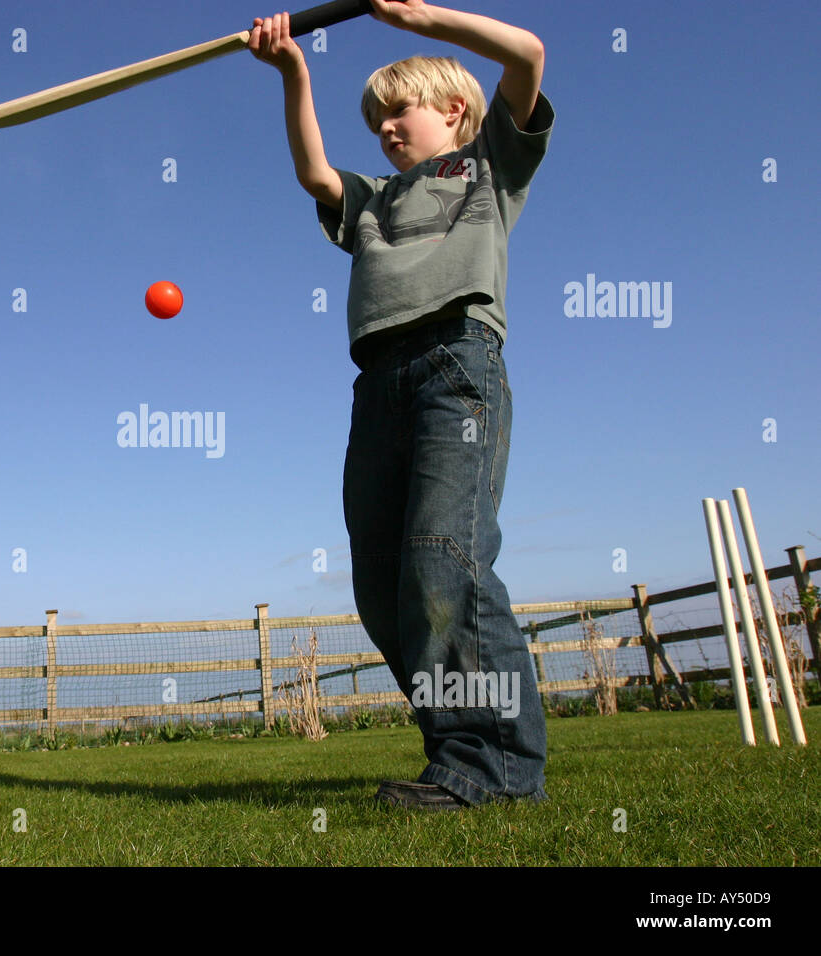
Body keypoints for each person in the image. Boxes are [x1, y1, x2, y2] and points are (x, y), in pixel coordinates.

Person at [249, 0, 553, 809]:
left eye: (398, 110)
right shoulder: (375, 199)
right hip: (378, 382)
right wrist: (293, 72)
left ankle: (495, 769)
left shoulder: (489, 165)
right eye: (375, 118)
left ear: (454, 110)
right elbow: (316, 173)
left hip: (458, 364)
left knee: (442, 560)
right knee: (384, 584)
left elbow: (525, 55)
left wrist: (422, 22)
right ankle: (454, 752)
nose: (384, 127)